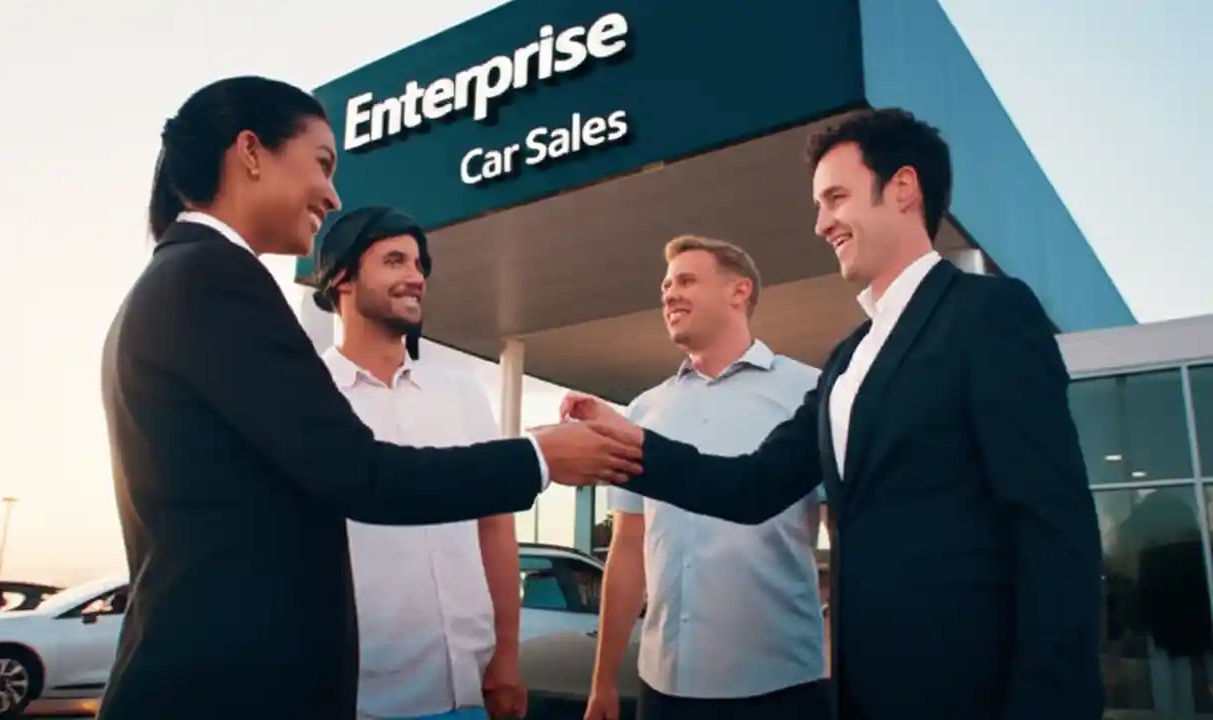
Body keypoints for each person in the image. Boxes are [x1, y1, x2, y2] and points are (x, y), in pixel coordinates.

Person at [99, 76, 641, 720]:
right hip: (233, 692)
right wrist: (542, 458)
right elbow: (361, 473)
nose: (331, 193)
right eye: (323, 163)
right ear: (250, 152)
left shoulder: (180, 276)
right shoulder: (217, 278)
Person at [564, 108, 1104, 720]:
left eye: (836, 198)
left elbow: (1053, 527)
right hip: (863, 693)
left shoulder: (988, 313)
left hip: (967, 693)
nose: (821, 224)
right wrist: (629, 444)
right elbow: (751, 485)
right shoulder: (849, 356)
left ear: (902, 189)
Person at [583, 236, 830, 720]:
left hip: (784, 687)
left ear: (740, 292)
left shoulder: (811, 392)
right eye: (666, 286)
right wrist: (603, 680)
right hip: (663, 689)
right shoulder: (641, 412)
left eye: (687, 280)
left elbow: (847, 537)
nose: (669, 294)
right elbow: (628, 548)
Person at [309, 206, 528, 720]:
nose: (415, 277)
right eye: (394, 260)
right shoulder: (306, 398)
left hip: (471, 691)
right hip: (358, 699)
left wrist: (508, 657)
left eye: (418, 264)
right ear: (342, 277)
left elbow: (495, 524)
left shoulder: (460, 393)